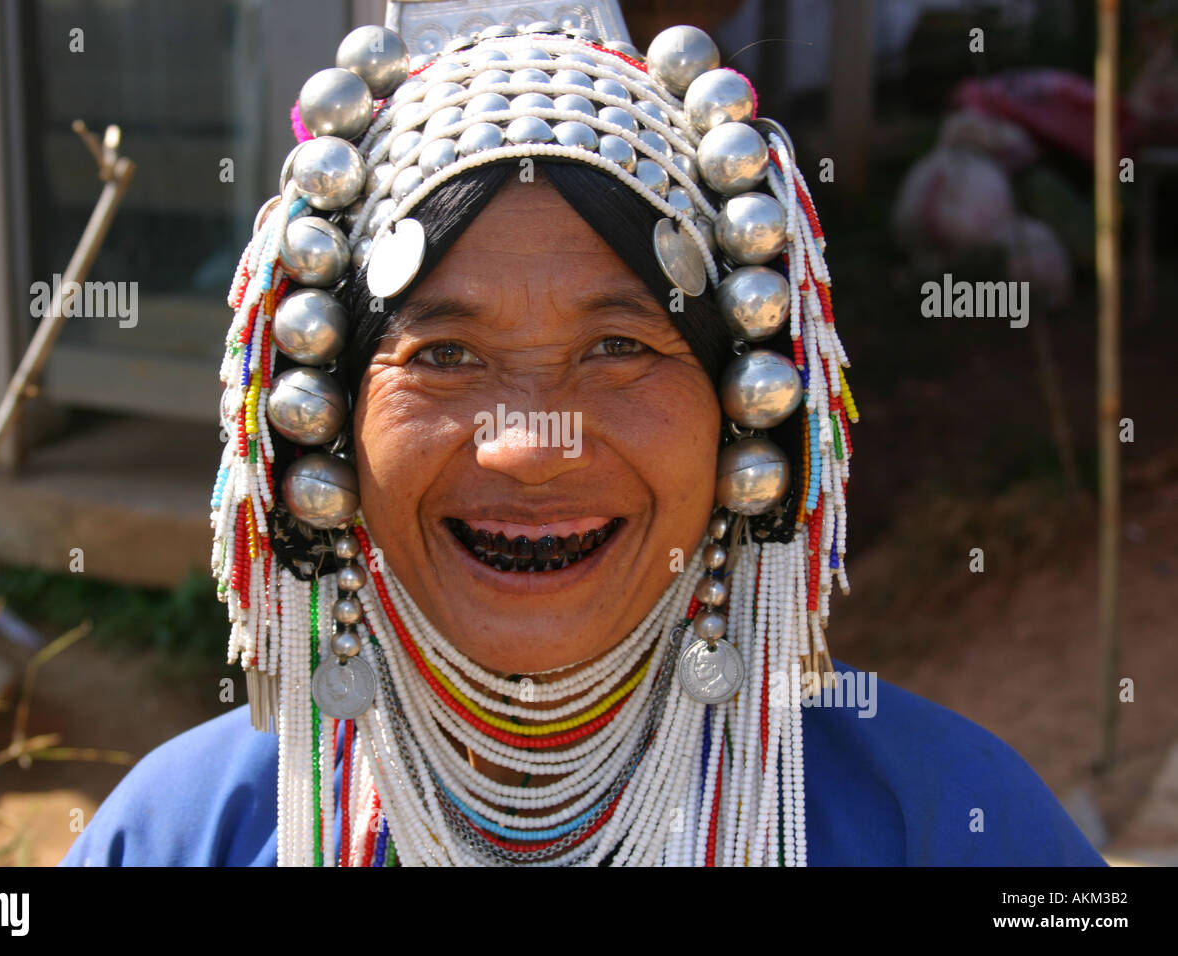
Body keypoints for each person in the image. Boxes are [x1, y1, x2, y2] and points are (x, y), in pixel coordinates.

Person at [60, 16, 1103, 867]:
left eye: (617, 345)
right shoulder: (188, 836)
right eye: (443, 356)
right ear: (325, 423)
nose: (529, 445)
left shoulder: (943, 825)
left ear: (745, 412)